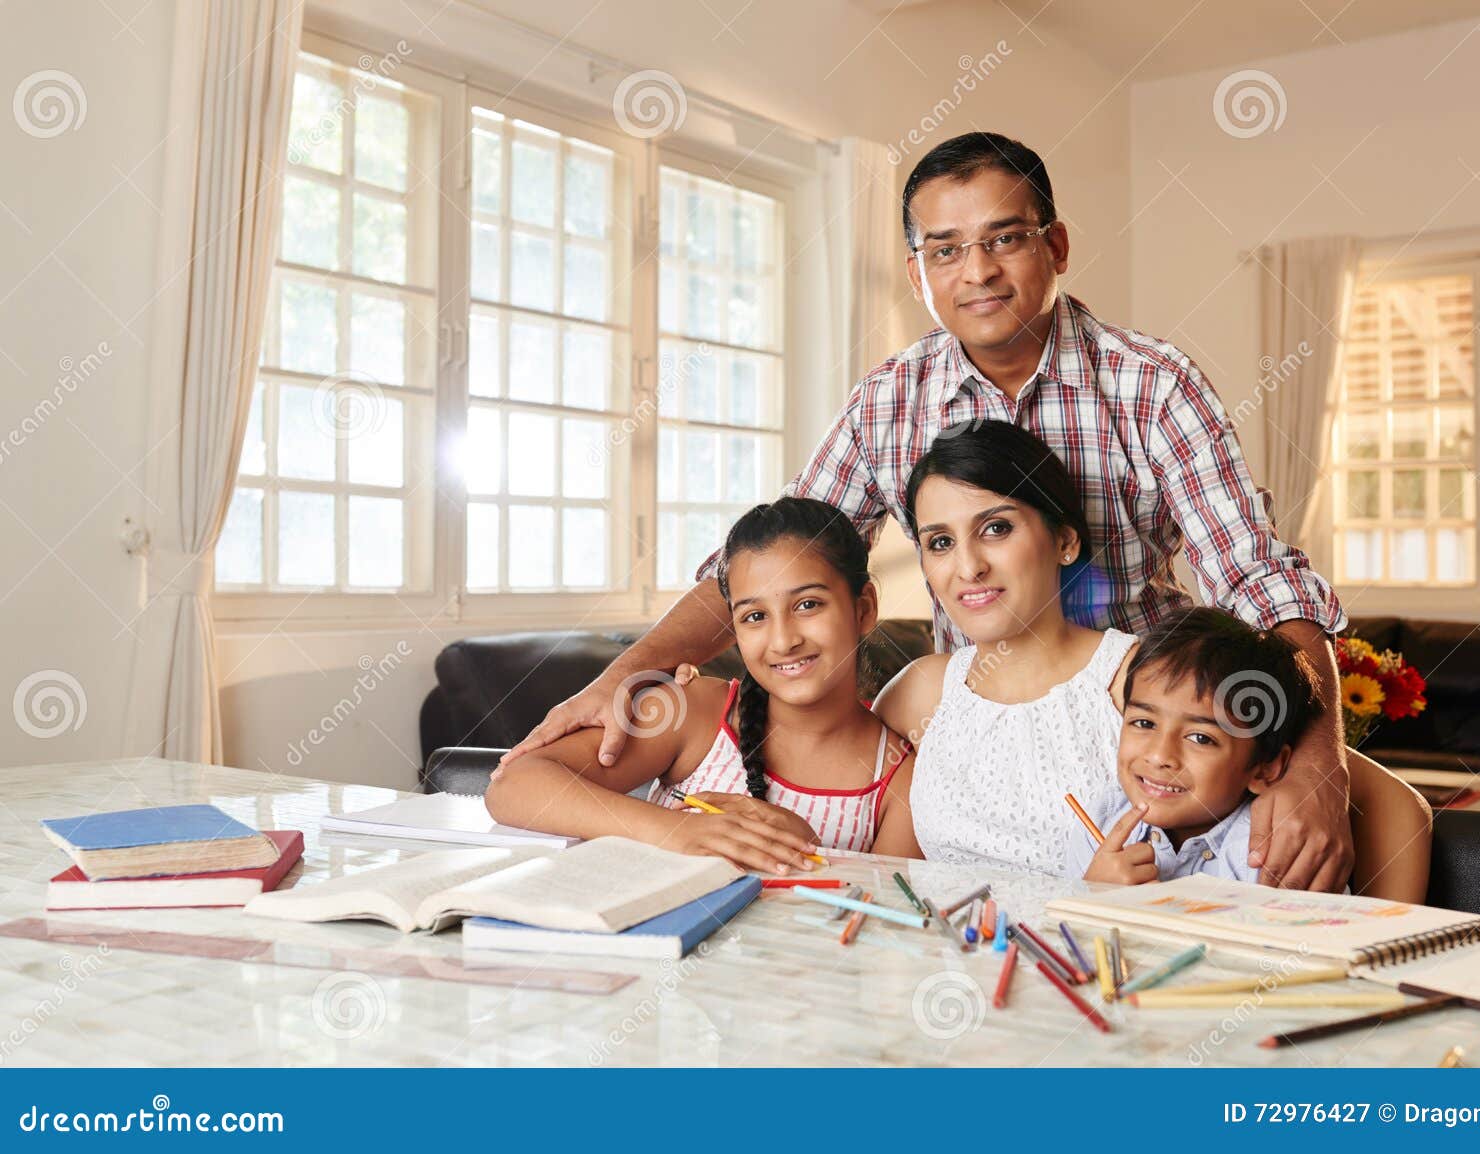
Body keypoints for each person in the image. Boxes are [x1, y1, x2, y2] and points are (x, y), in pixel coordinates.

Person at [505, 130, 1353, 891]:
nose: (976, 272)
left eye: (1004, 239)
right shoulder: (890, 401)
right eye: (945, 250)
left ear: (1056, 246)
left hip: (1142, 741)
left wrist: (1321, 763)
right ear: (917, 274)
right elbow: (775, 560)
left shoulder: (1151, 385)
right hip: (978, 743)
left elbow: (1258, 579)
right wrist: (624, 677)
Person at [873, 422, 1429, 901]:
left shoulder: (1144, 678)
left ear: (1065, 541)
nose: (967, 566)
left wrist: (1385, 966)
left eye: (997, 528)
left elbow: (1398, 808)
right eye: (939, 542)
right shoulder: (921, 691)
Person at [485, 497, 921, 871]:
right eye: (754, 616)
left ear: (864, 609)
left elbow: (885, 919)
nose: (783, 640)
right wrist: (676, 831)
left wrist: (809, 852)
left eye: (808, 605)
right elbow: (513, 785)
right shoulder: (693, 711)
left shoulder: (902, 779)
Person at [1075, 608, 1430, 902]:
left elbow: (1301, 959)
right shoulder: (1100, 817)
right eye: (1144, 723)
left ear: (1264, 768)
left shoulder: (1274, 853)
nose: (1159, 755)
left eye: (1200, 737)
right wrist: (1091, 896)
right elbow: (1065, 946)